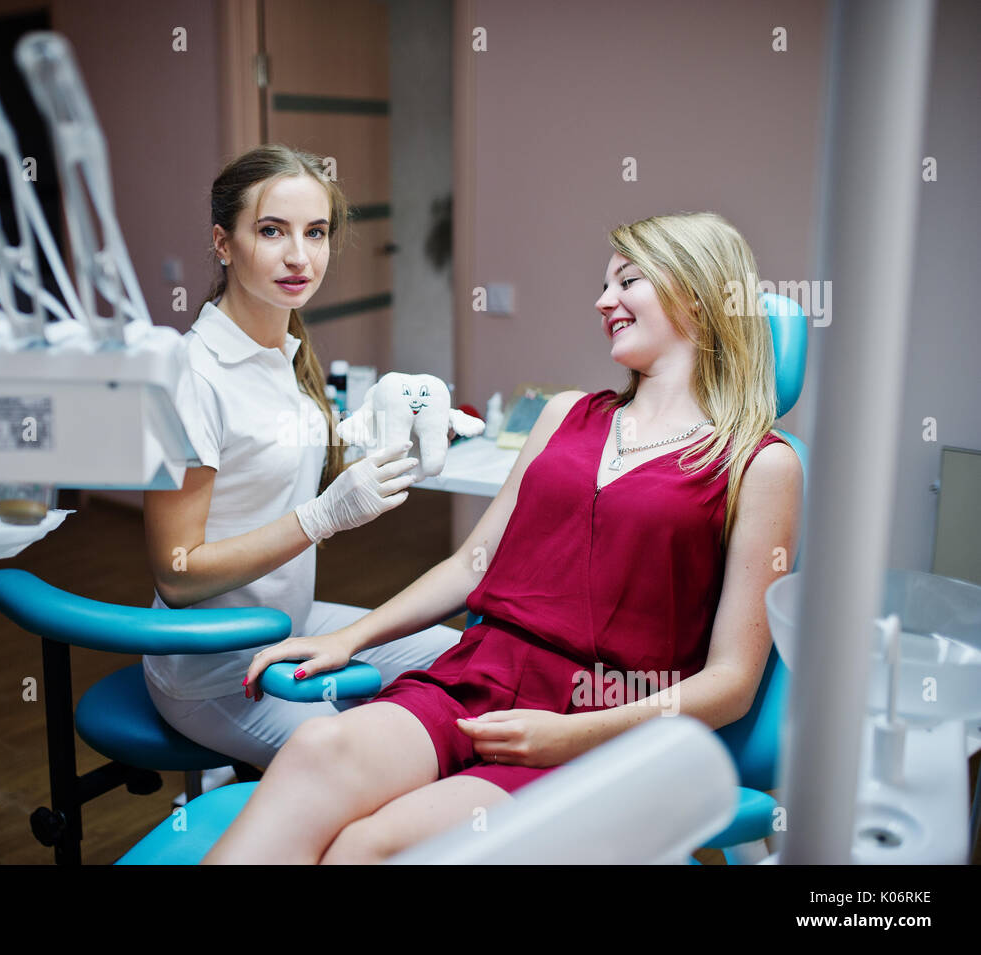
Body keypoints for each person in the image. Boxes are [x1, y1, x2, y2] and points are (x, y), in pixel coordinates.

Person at [204, 211, 805, 863]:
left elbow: (731, 683)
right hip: (480, 672)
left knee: (367, 847)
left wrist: (569, 736)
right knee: (316, 749)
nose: (603, 301)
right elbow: (473, 563)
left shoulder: (759, 462)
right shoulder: (566, 414)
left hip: (605, 723)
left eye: (626, 280)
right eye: (604, 285)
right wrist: (346, 637)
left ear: (694, 291)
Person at [140, 144, 461, 772]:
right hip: (209, 663)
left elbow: (274, 476)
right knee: (356, 765)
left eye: (316, 233)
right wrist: (322, 518)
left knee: (464, 655)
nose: (299, 256)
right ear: (222, 243)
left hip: (291, 624)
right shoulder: (189, 376)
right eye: (271, 231)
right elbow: (176, 576)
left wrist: (388, 442)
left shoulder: (285, 353)